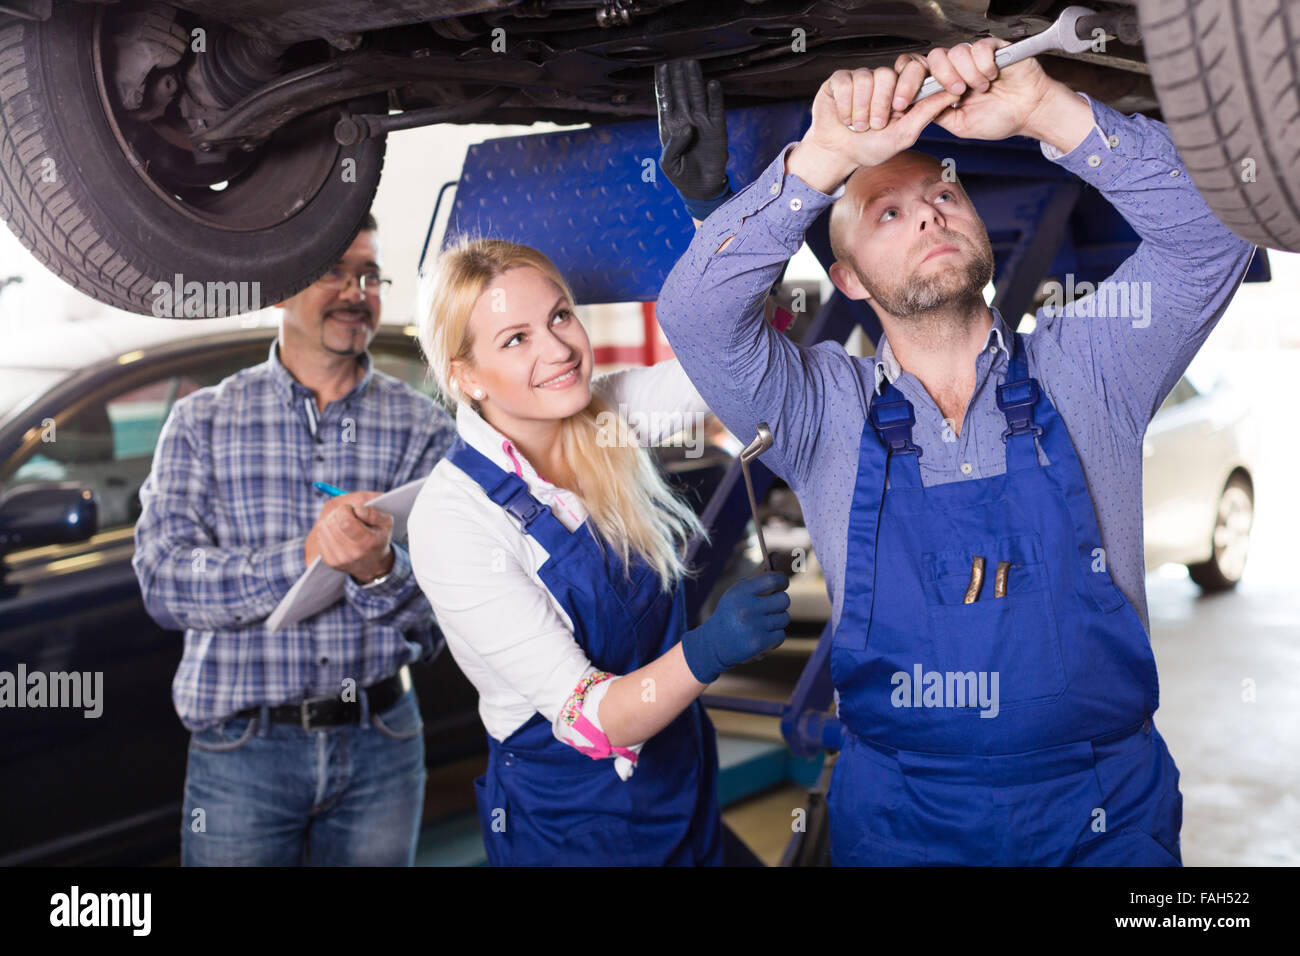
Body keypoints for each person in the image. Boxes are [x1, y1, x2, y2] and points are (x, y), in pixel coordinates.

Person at [655, 42, 1256, 866]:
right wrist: (826, 158)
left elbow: (1216, 233)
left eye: (943, 192)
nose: (930, 212)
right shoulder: (822, 411)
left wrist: (1048, 110)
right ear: (851, 279)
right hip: (907, 818)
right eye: (887, 213)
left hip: (1103, 812)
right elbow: (695, 315)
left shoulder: (1088, 369)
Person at [407, 238, 790, 866]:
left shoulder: (606, 416)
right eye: (515, 339)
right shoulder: (455, 521)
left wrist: (721, 223)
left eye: (560, 315)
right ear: (464, 376)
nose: (558, 349)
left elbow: (738, 356)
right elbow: (592, 720)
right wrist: (712, 647)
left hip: (680, 776)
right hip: (578, 820)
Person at [133, 212, 456, 866]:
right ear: (278, 287)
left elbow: (441, 617)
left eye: (369, 274)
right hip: (243, 751)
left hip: (382, 744)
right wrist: (305, 559)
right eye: (333, 270)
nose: (355, 291)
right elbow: (164, 583)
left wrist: (378, 569)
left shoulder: (423, 426)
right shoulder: (202, 420)